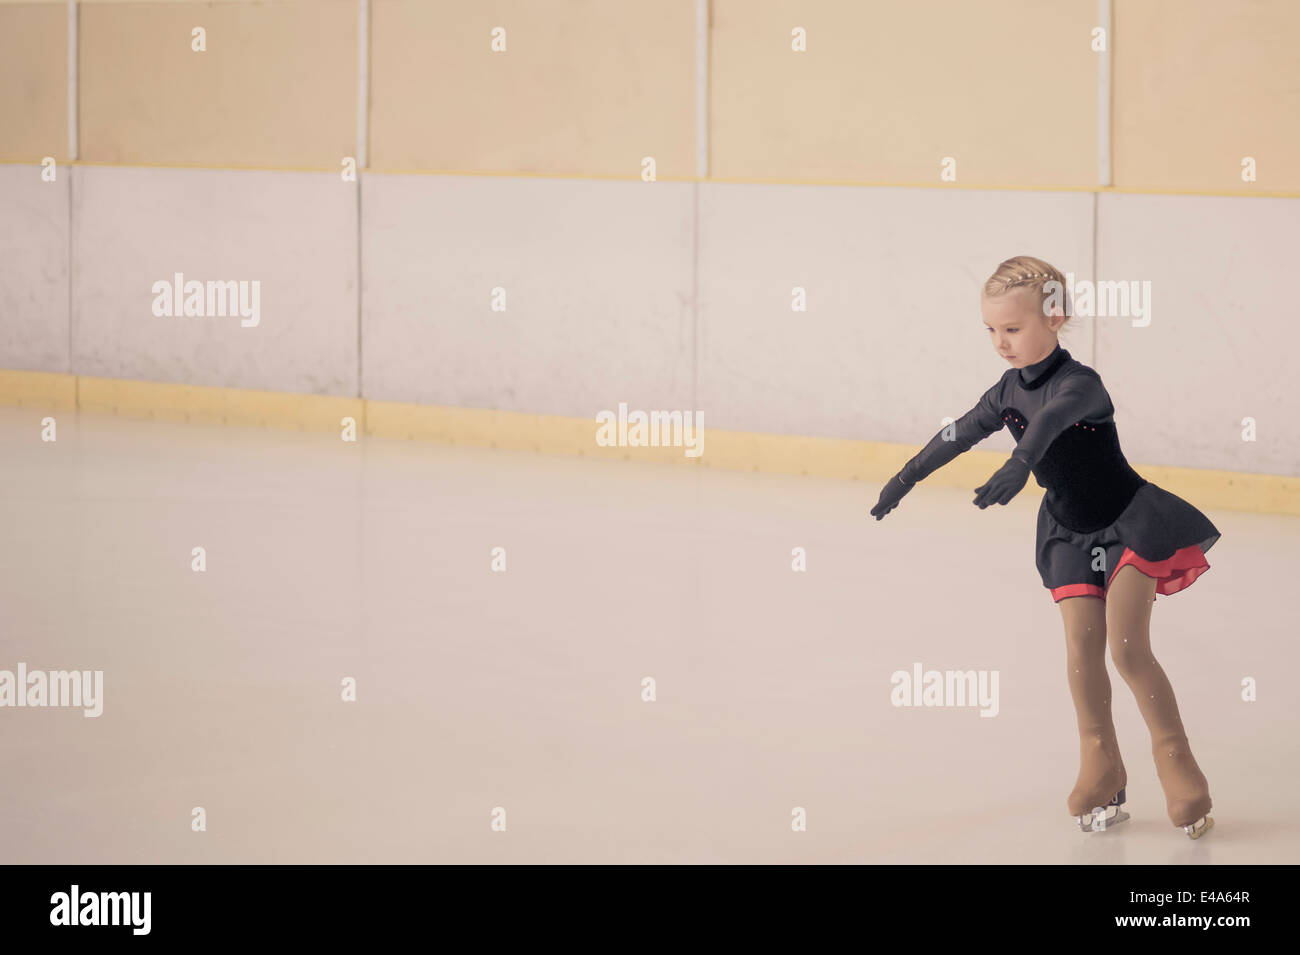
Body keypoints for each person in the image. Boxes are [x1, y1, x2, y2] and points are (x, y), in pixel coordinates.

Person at [871, 255, 1218, 839]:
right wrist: (905, 478)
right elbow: (958, 430)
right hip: (1068, 531)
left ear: (1054, 318)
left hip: (1127, 521)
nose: (1000, 343)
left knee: (1127, 649)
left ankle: (1179, 767)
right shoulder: (1006, 390)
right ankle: (1102, 765)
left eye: (1013, 328)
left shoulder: (1082, 383)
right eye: (991, 330)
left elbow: (1053, 419)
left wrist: (1019, 462)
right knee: (1082, 655)